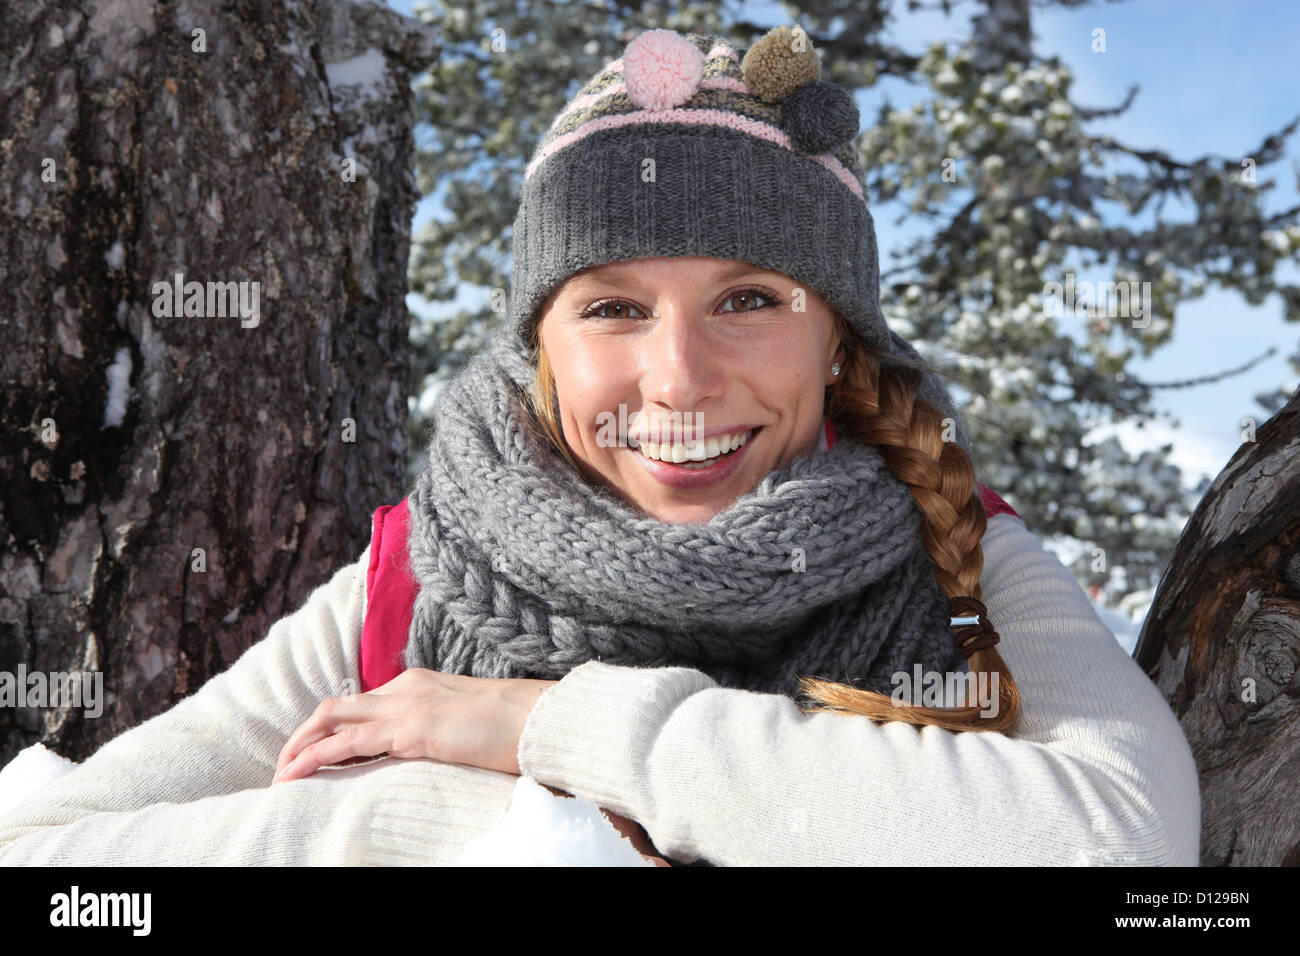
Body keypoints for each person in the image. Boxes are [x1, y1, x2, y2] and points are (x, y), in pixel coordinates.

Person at [0, 26, 1200, 866]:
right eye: (612, 307)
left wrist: (549, 730)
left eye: (749, 300)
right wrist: (400, 826)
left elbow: (1109, 838)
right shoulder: (419, 569)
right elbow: (45, 857)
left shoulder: (952, 548)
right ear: (545, 349)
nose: (677, 376)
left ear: (837, 341)